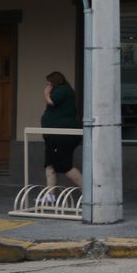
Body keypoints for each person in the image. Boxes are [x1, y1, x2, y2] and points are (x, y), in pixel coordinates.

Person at [41, 71, 81, 201]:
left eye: (49, 83)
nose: (48, 86)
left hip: (62, 135)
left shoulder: (63, 90)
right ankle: (50, 195)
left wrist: (46, 93)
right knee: (50, 165)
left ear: (54, 82)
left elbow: (51, 102)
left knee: (65, 166)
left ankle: (89, 192)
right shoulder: (64, 90)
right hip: (53, 135)